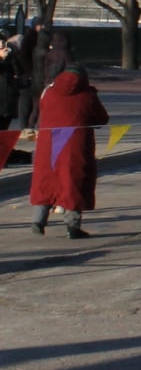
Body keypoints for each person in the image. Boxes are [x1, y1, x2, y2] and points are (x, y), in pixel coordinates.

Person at [29, 64, 111, 239]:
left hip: (48, 143)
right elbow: (102, 118)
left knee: (46, 180)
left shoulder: (48, 92)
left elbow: (41, 111)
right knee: (73, 181)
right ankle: (72, 226)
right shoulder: (88, 95)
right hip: (75, 144)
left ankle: (38, 221)